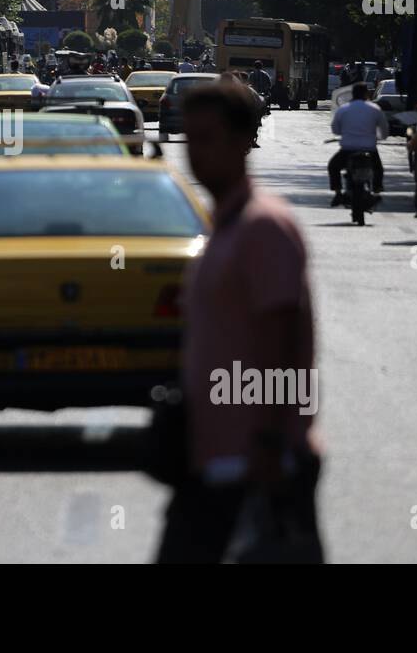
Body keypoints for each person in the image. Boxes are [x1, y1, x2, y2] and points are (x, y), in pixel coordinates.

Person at [157, 82, 323, 563]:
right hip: (216, 459)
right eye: (189, 138)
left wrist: (269, 443)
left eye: (208, 139)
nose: (195, 153)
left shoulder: (262, 226)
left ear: (243, 142)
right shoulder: (225, 225)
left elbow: (281, 342)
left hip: (251, 462)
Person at [328, 82, 387, 205]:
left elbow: (335, 130)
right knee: (378, 169)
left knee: (333, 166)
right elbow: (384, 131)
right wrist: (379, 137)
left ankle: (338, 193)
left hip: (347, 149)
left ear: (352, 94)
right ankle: (376, 191)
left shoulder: (343, 109)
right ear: (366, 93)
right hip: (369, 149)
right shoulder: (375, 109)